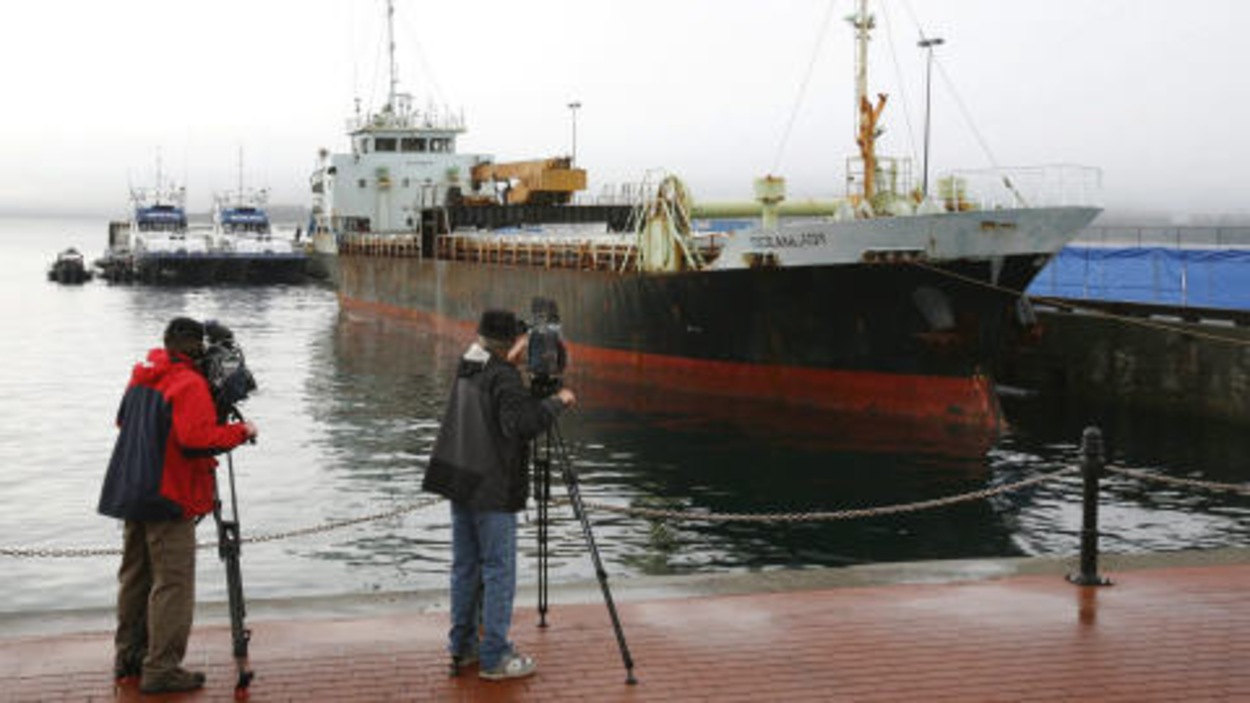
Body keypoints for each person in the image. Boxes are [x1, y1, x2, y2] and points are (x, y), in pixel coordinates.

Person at [98, 317, 258, 694]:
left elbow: (123, 422)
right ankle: (161, 669)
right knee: (173, 584)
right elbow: (195, 440)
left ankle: (129, 658)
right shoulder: (189, 383)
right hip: (168, 496)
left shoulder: (142, 376)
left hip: (132, 488)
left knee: (135, 578)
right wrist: (241, 431)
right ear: (198, 347)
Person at [422, 309, 576, 681]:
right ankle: (495, 657)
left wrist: (516, 369)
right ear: (511, 343)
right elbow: (520, 424)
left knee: (466, 567)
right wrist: (558, 401)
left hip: (461, 479)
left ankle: (462, 647)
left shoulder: (470, 360)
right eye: (524, 342)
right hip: (491, 488)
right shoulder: (504, 375)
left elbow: (499, 409)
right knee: (498, 570)